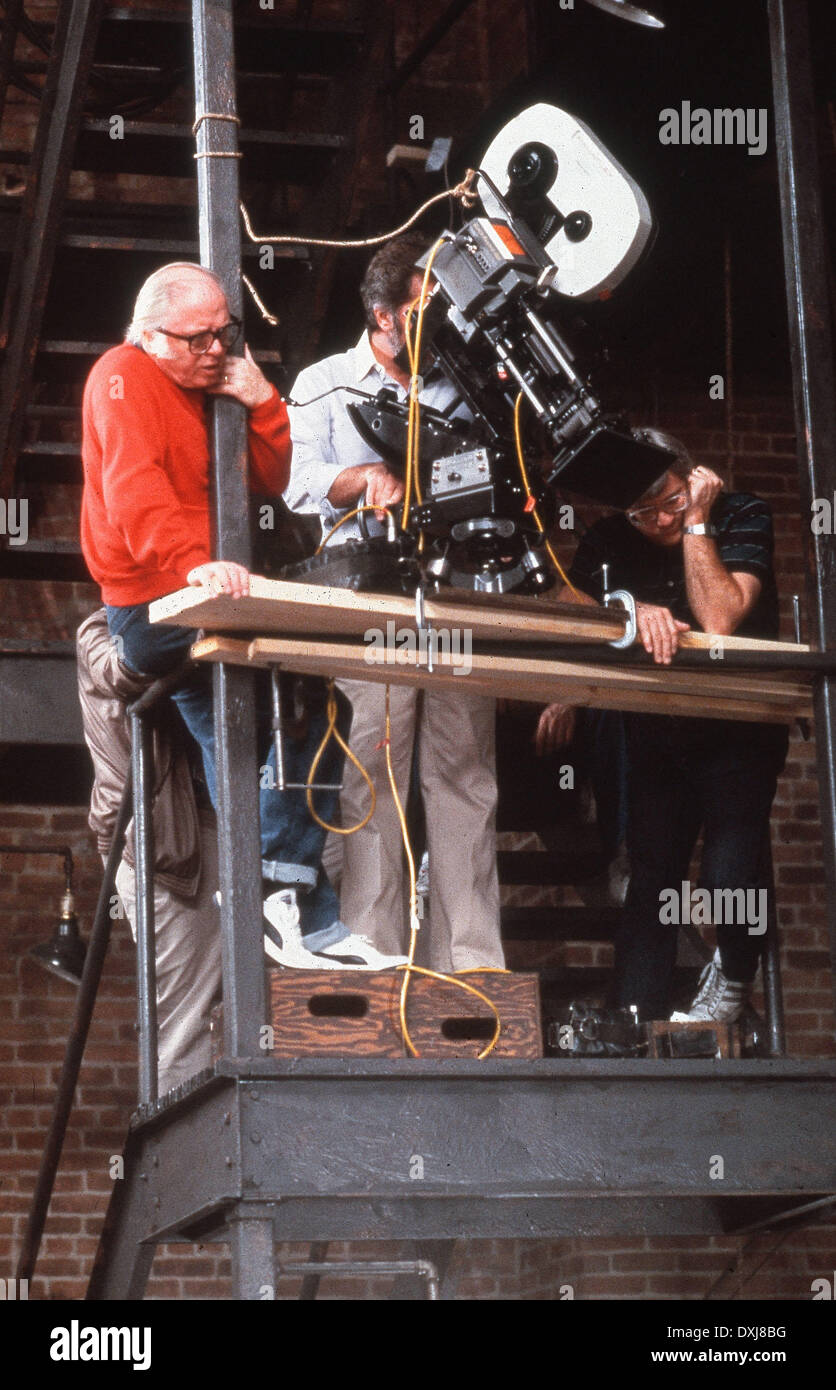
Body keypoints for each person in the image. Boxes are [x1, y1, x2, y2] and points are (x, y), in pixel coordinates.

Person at [80, 261, 402, 971]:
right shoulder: (123, 374)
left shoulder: (212, 382)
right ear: (149, 335)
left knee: (272, 732)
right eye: (196, 339)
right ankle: (276, 895)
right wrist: (194, 560)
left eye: (223, 333)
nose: (215, 350)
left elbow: (273, 477)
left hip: (206, 591)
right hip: (153, 602)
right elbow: (132, 490)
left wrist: (261, 401)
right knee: (290, 707)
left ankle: (301, 917)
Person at [285, 235, 504, 972]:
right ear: (383, 316)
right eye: (423, 310)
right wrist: (365, 478)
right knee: (372, 772)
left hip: (452, 597)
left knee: (464, 776)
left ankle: (471, 961)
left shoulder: (461, 385)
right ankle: (372, 957)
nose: (438, 326)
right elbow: (295, 480)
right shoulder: (322, 382)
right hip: (367, 598)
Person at [536, 430, 788, 1021]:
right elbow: (560, 598)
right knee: (653, 880)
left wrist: (697, 521)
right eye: (641, 513)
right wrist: (626, 607)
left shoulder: (744, 512)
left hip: (739, 728)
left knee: (728, 873)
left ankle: (731, 980)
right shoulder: (609, 537)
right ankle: (633, 1015)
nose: (657, 522)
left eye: (671, 501)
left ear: (692, 476)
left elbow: (720, 618)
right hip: (659, 728)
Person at [77, 608, 221, 1094]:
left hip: (217, 821)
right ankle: (185, 1166)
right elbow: (128, 669)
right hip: (162, 843)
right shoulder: (99, 630)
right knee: (184, 1021)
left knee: (247, 1009)